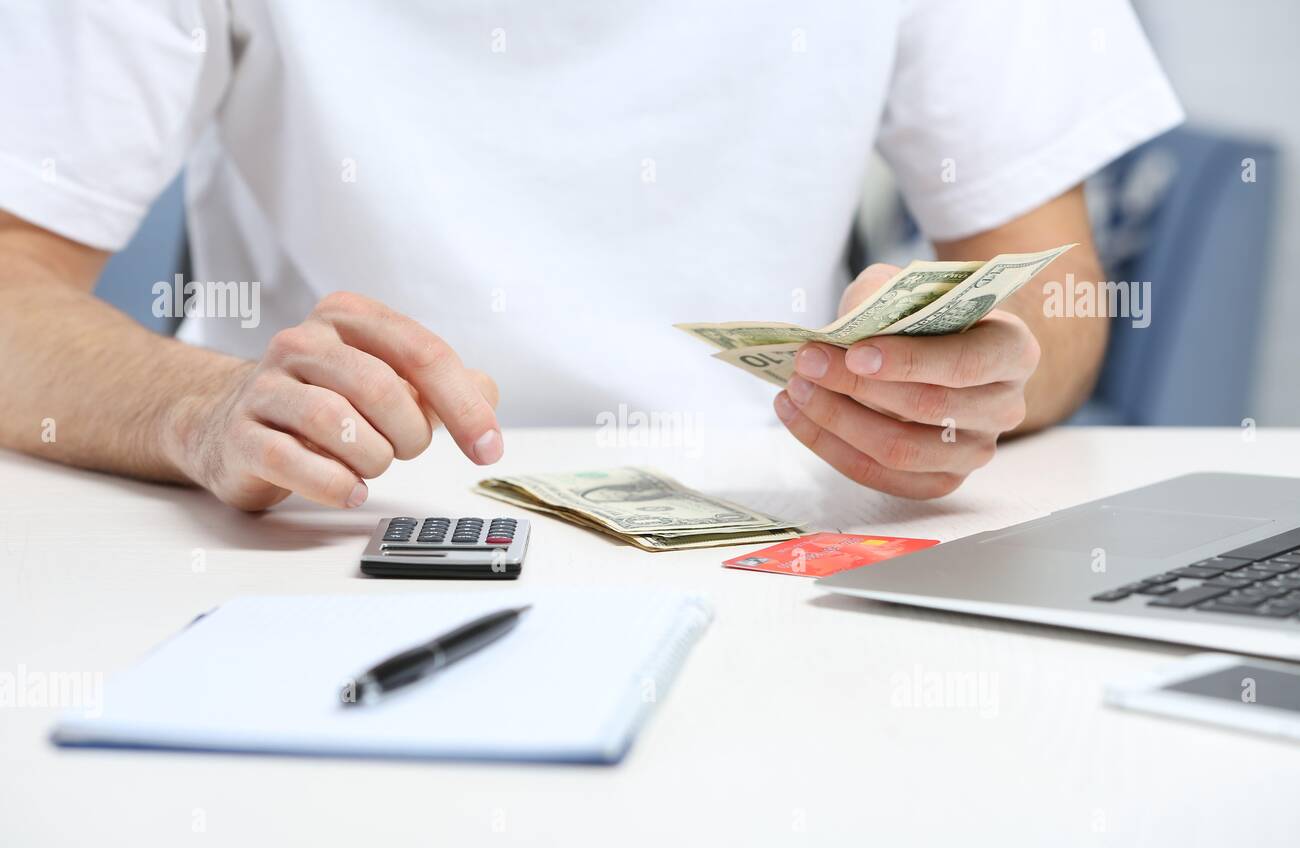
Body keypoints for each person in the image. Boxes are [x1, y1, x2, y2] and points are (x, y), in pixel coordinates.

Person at [0, 0, 1182, 509]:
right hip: (317, 520)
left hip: (784, 515)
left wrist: (974, 378)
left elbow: (1057, 288)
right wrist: (199, 411)